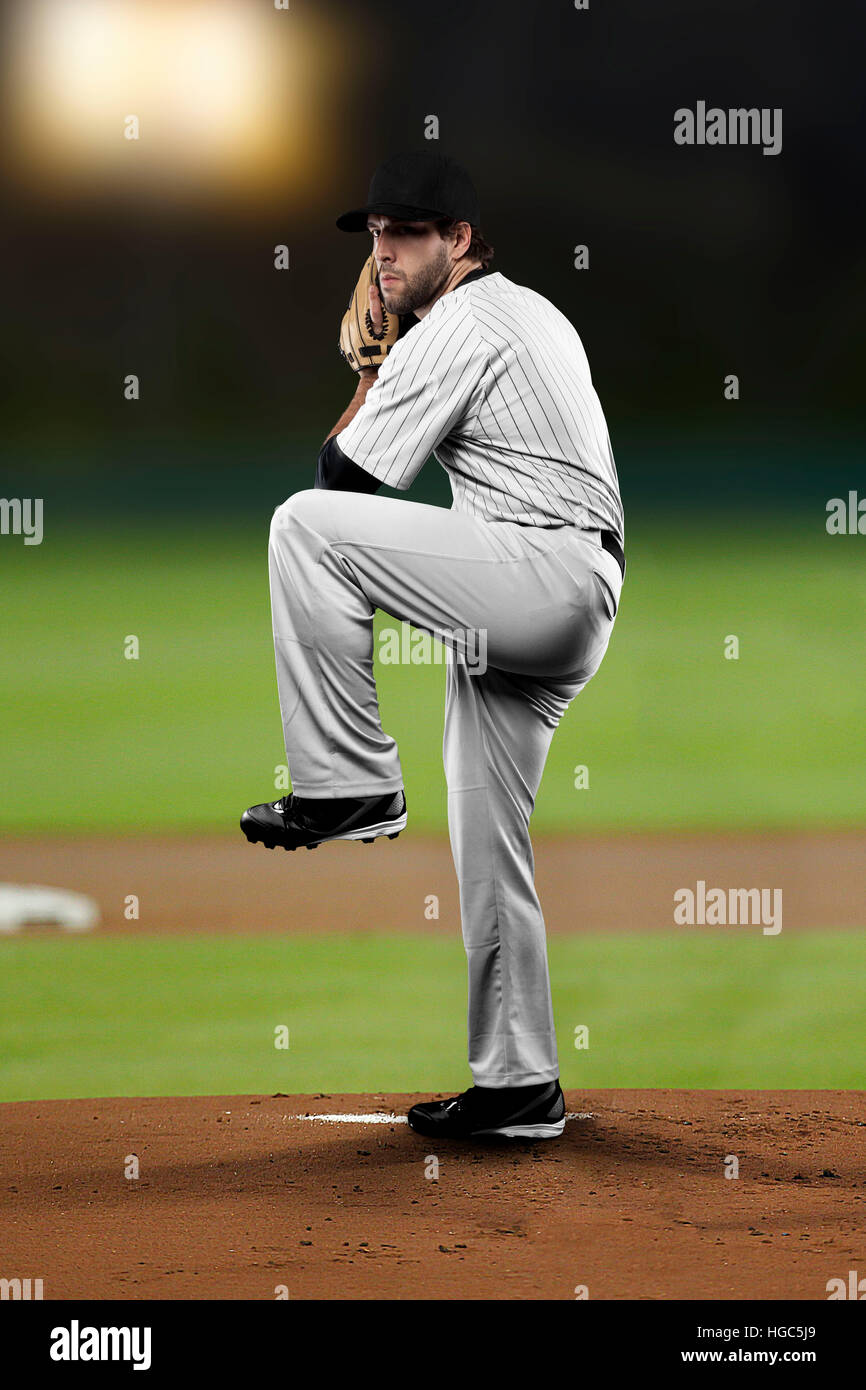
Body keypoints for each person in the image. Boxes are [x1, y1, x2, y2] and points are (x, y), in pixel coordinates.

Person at [241, 150, 625, 1140]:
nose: (384, 251)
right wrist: (386, 363)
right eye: (374, 233)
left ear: (459, 241)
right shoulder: (518, 312)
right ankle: (519, 1084)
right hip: (549, 588)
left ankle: (345, 781)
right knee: (486, 839)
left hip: (537, 574)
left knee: (300, 525)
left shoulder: (468, 316)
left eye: (406, 232)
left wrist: (372, 368)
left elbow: (346, 482)